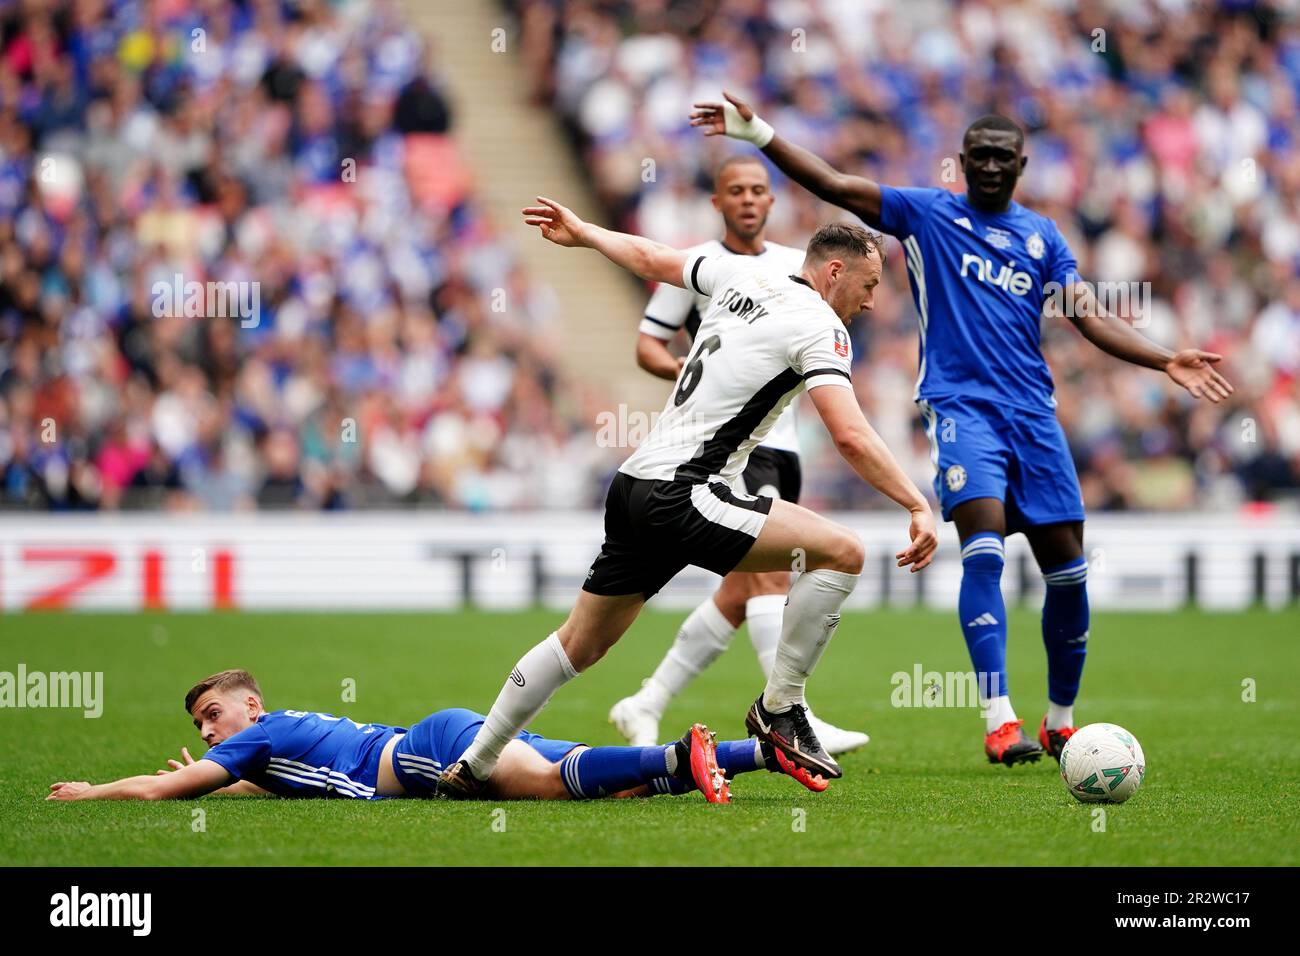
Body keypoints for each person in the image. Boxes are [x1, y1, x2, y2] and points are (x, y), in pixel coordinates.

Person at [690, 93, 1234, 765]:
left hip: (1035, 415)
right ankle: (999, 719)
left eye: (1002, 157)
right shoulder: (927, 214)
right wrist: (759, 131)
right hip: (960, 411)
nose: (989, 166)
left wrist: (1163, 358)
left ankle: (1060, 719)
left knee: (1068, 573)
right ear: (963, 161)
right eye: (978, 156)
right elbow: (834, 184)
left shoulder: (1044, 238)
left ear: (1022, 164)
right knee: (984, 547)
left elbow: (1088, 316)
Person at [435, 197, 937, 799]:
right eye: (870, 283)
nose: (873, 299)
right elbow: (851, 436)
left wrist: (586, 231)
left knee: (579, 643)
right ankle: (781, 707)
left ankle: (477, 762)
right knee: (843, 551)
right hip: (687, 492)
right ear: (834, 272)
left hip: (633, 486)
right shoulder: (820, 327)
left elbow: (652, 257)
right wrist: (915, 502)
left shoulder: (741, 274)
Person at [609, 153, 869, 756]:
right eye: (737, 191)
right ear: (718, 202)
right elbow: (648, 344)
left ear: (771, 201)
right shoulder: (709, 266)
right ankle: (791, 711)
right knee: (769, 577)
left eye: (758, 190)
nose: (749, 199)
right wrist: (689, 376)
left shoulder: (793, 267)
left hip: (783, 442)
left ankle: (646, 701)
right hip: (724, 448)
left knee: (742, 590)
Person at [46, 669, 818, 805]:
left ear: (250, 706)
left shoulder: (253, 738)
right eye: (201, 726)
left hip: (423, 752)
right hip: (438, 734)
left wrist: (96, 790)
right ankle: (765, 752)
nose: (210, 730)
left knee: (552, 787)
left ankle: (682, 754)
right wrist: (226, 772)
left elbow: (162, 788)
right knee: (599, 783)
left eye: (213, 715)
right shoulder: (267, 743)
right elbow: (276, 777)